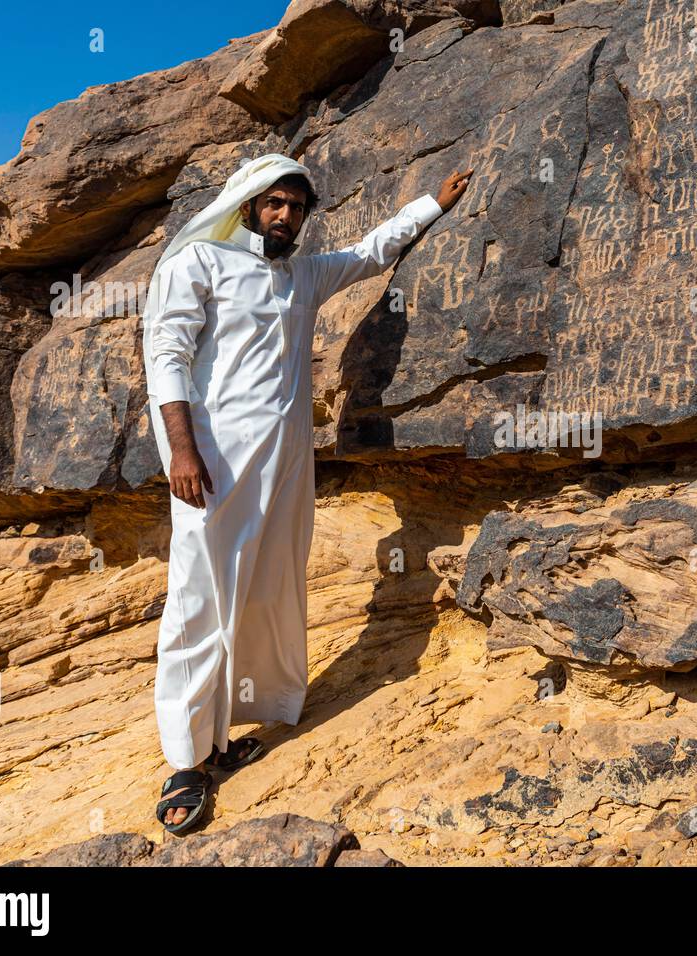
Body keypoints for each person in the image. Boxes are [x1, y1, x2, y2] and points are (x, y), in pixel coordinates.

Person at [141, 153, 473, 832]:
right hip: (212, 466)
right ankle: (183, 760)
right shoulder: (198, 264)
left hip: (286, 467)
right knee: (200, 600)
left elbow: (370, 253)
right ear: (248, 205)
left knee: (264, 591)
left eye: (297, 205)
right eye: (275, 203)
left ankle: (222, 736)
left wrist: (430, 206)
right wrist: (180, 450)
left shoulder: (302, 275)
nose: (287, 214)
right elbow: (166, 356)